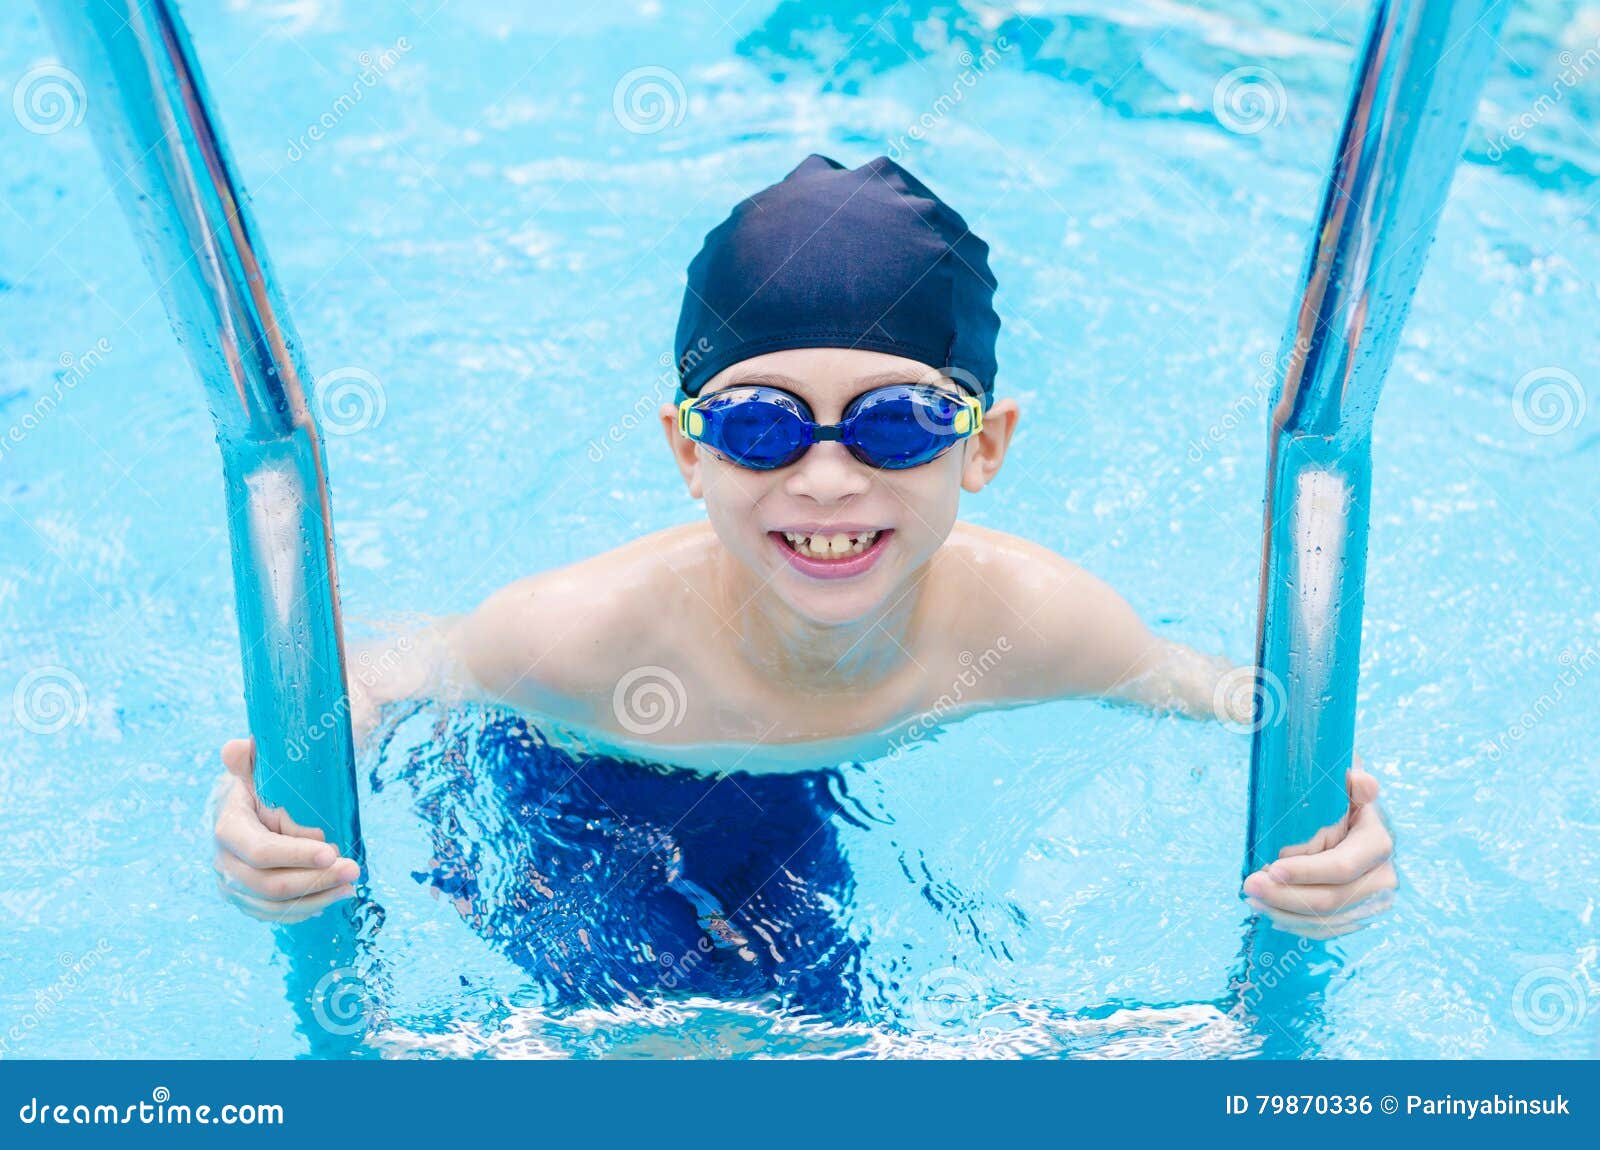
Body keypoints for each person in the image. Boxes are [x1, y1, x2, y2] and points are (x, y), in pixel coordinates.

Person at [211, 155, 1395, 1006]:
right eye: (760, 426)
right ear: (687, 451)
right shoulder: (579, 643)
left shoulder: (1040, 623)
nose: (827, 479)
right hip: (573, 780)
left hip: (796, 786)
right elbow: (392, 669)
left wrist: (1339, 838)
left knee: (829, 1031)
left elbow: (1227, 702)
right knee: (675, 1055)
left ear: (984, 446)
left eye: (897, 422)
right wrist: (272, 815)